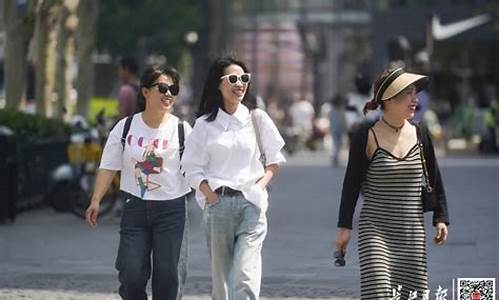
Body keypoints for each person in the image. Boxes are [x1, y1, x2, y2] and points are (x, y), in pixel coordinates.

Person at [335, 67, 450, 299]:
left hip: (412, 232)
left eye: (415, 93)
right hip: (375, 230)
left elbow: (434, 177)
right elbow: (351, 184)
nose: (415, 99)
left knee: (411, 295)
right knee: (378, 292)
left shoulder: (420, 133)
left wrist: (441, 217)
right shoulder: (366, 134)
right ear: (389, 99)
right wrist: (344, 227)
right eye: (408, 93)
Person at [181, 56, 286, 300]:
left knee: (246, 276)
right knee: (222, 281)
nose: (240, 84)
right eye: (233, 79)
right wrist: (209, 195)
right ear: (218, 84)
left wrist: (259, 188)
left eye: (244, 79)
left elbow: (274, 160)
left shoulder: (257, 119)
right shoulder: (204, 125)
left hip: (251, 204)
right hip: (218, 206)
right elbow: (191, 167)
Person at [85, 65, 192, 300]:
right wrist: (96, 200)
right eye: (162, 88)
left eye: (173, 89)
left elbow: (197, 168)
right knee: (131, 273)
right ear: (145, 92)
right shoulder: (125, 127)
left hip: (172, 210)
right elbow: (108, 165)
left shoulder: (182, 129)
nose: (168, 94)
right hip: (135, 207)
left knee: (168, 275)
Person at [328, 94, 347, 166]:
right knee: (338, 143)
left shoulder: (332, 110)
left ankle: (335, 156)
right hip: (339, 128)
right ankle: (335, 156)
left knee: (336, 143)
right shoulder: (341, 110)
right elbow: (343, 120)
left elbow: (330, 119)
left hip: (334, 128)